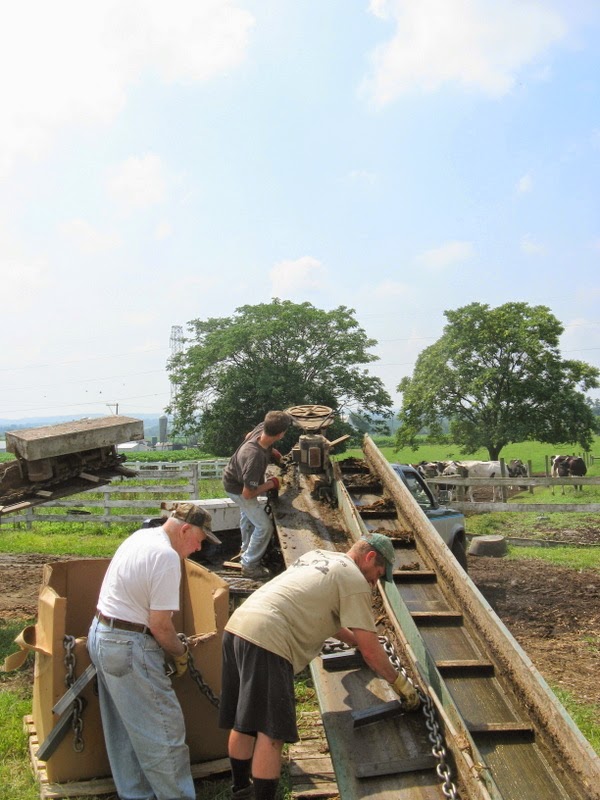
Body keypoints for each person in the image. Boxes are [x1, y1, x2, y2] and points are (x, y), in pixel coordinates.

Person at [218, 533, 420, 800]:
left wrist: (354, 640)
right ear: (370, 557)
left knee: (244, 723)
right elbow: (372, 652)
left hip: (238, 627)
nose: (375, 582)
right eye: (378, 574)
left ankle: (241, 790)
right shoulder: (355, 580)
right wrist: (402, 684)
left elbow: (321, 613)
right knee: (271, 733)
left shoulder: (317, 556)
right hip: (268, 639)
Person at [87, 501, 222, 800]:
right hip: (129, 646)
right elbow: (160, 625)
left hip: (102, 634)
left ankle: (137, 795)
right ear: (185, 530)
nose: (198, 548)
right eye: (199, 540)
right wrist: (180, 653)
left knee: (125, 728)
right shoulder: (166, 557)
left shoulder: (142, 536)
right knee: (164, 731)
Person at [222, 410, 292, 580]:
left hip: (233, 478)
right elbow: (247, 494)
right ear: (281, 434)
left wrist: (273, 453)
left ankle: (246, 549)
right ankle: (250, 565)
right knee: (264, 527)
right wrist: (272, 483)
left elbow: (248, 435)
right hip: (237, 489)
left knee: (248, 515)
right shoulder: (255, 458)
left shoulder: (262, 428)